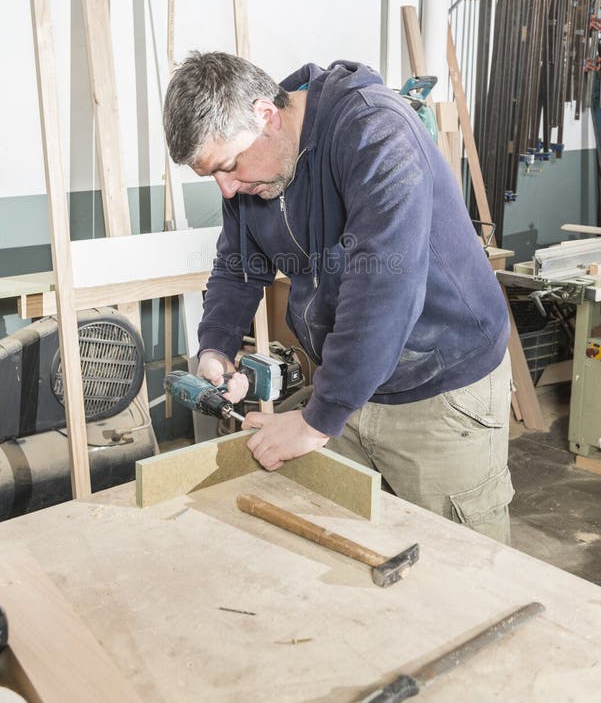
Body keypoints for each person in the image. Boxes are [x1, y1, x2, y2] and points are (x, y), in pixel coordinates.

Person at [163, 52, 513, 543]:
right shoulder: (255, 170)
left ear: (266, 115)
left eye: (229, 167)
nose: (227, 189)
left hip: (439, 384)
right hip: (351, 381)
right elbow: (239, 264)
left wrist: (315, 421)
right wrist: (217, 347)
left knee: (462, 565)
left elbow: (383, 293)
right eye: (213, 177)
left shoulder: (375, 132)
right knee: (349, 546)